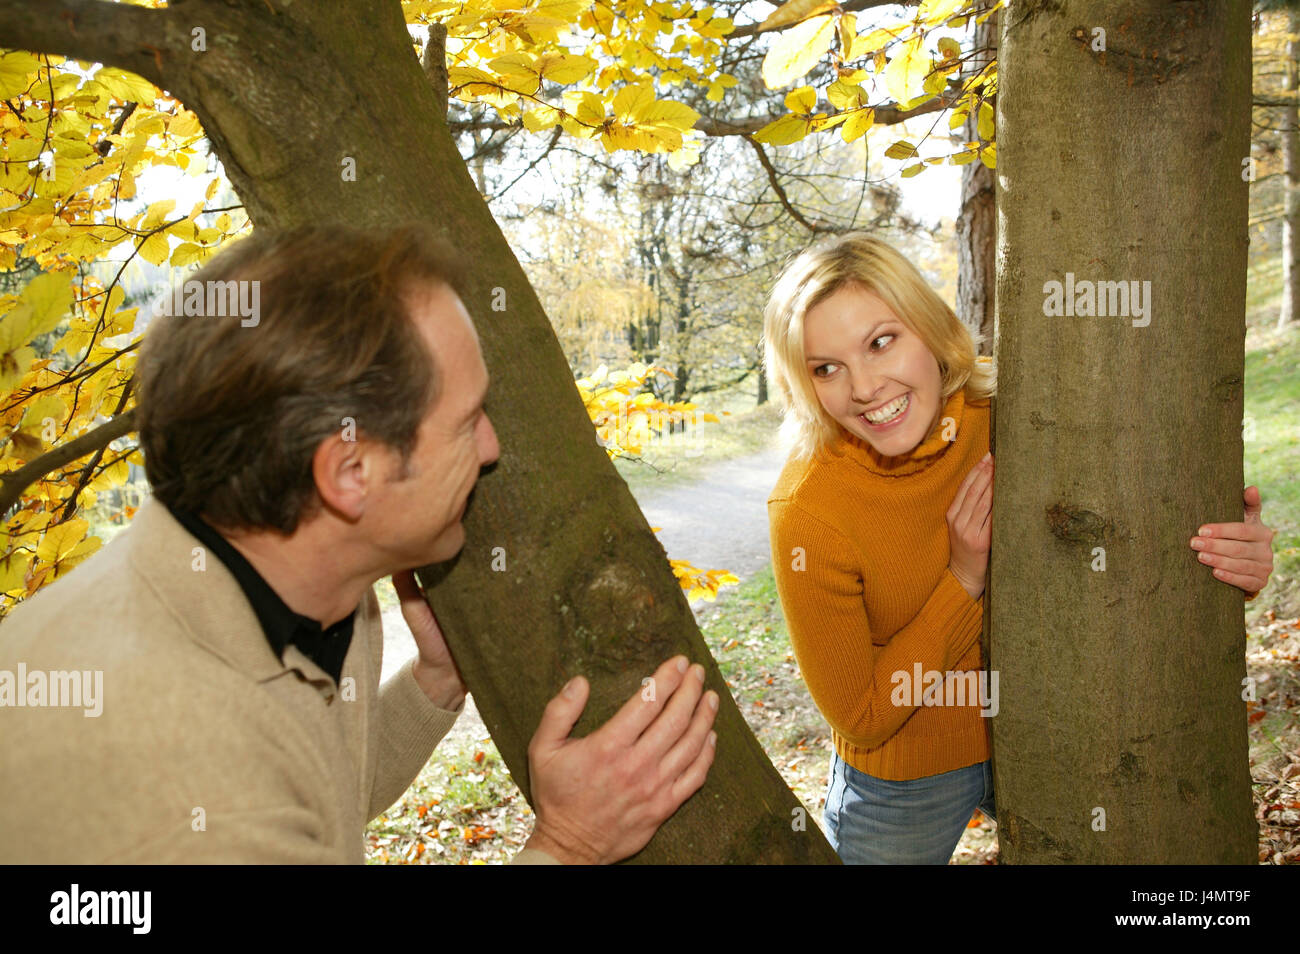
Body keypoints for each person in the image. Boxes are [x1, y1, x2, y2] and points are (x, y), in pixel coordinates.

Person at [0, 224, 719, 864]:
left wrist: (434, 682)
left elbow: (311, 796)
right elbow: (250, 802)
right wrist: (569, 847)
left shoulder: (278, 585)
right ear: (349, 474)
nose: (493, 448)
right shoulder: (177, 793)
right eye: (468, 421)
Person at [762, 232, 1276, 865]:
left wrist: (1234, 566)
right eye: (826, 368)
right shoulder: (809, 509)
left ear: (929, 327)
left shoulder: (1019, 416)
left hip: (1056, 727)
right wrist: (962, 578)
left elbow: (1127, 542)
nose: (864, 386)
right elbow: (863, 714)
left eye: (880, 341)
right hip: (907, 770)